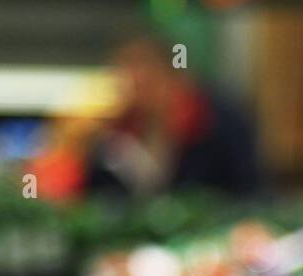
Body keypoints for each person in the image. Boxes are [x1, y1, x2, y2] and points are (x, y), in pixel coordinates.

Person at [86, 35, 261, 198]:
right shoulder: (116, 136)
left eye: (148, 74)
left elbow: (250, 190)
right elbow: (96, 195)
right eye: (129, 75)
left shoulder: (218, 123)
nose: (137, 85)